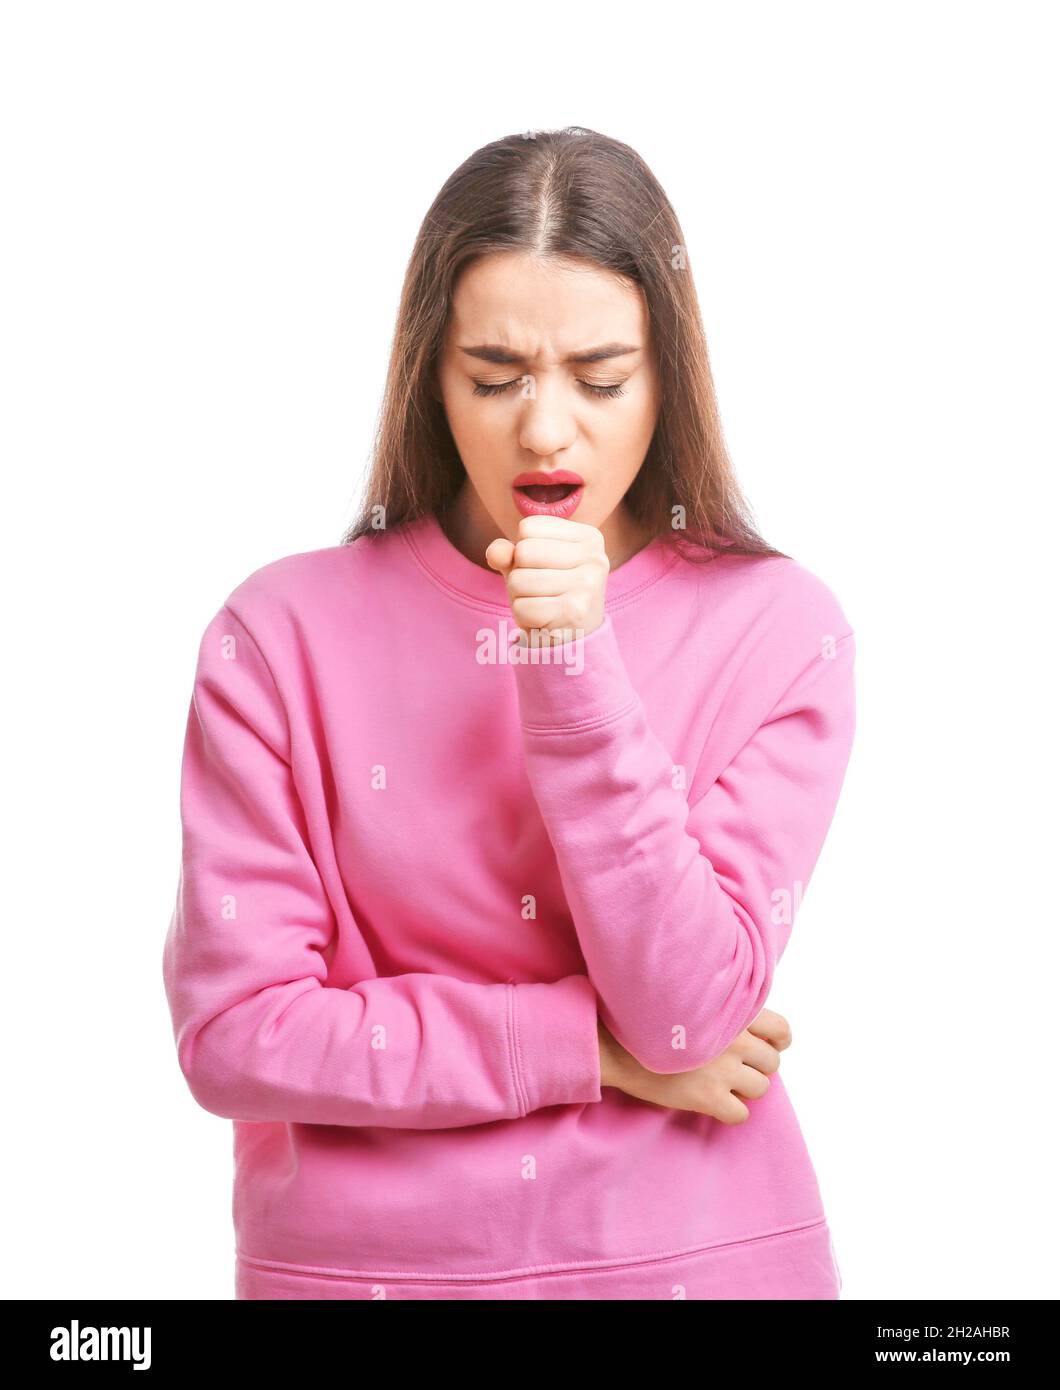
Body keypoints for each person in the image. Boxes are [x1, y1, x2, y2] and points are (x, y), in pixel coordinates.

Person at [162, 126, 856, 1300]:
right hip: (362, 1276)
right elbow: (234, 1035)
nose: (545, 429)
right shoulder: (277, 634)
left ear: (666, 377)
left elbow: (686, 1020)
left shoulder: (780, 627)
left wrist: (572, 659)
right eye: (494, 376)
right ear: (430, 377)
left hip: (696, 1263)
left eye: (599, 378)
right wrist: (581, 1050)